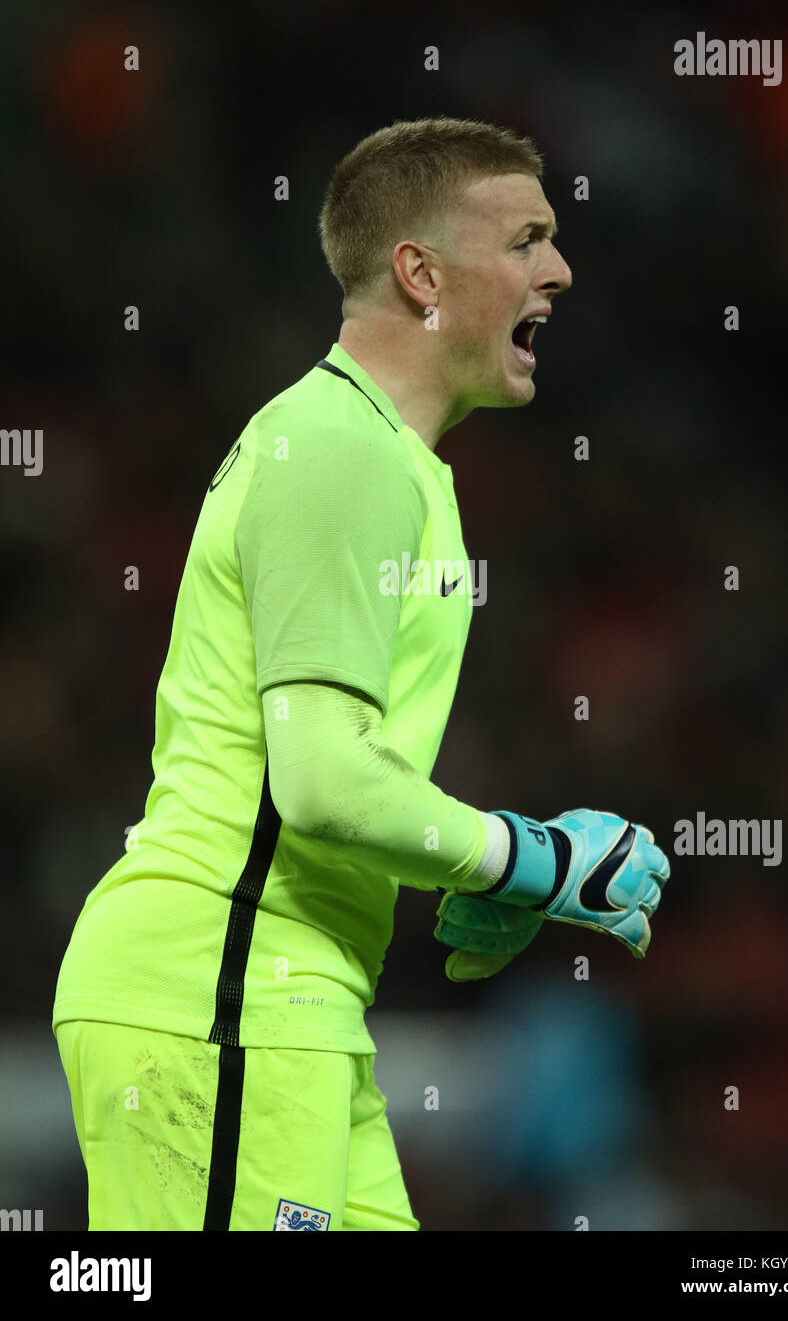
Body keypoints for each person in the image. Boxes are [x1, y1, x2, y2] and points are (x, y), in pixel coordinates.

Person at [52, 116, 669, 1231]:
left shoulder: (392, 464)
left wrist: (476, 872)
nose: (560, 269)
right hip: (216, 995)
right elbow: (324, 782)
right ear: (420, 274)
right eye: (526, 239)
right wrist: (529, 859)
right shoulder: (335, 452)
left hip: (297, 1006)